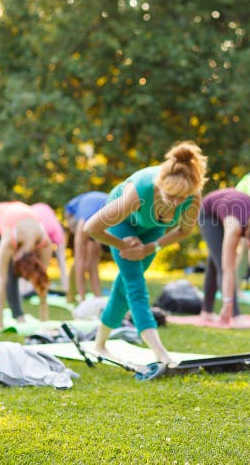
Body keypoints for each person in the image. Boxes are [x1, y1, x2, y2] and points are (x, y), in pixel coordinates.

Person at [84, 141, 207, 366]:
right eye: (171, 196)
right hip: (122, 226)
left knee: (123, 288)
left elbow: (183, 231)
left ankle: (99, 344)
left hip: (152, 231)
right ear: (160, 185)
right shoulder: (138, 192)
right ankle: (160, 352)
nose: (177, 202)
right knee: (135, 284)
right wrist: (123, 245)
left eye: (182, 198)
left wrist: (150, 247)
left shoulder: (192, 195)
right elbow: (91, 228)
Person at [198, 188, 250, 323]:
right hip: (208, 213)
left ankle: (206, 311)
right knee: (220, 261)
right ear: (247, 237)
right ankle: (234, 314)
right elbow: (227, 270)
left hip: (229, 207)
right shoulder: (234, 227)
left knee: (214, 260)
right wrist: (227, 304)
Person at [0, 201, 51, 329]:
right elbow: (1, 281)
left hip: (16, 215)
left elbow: (43, 279)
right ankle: (11, 314)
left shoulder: (44, 242)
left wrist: (44, 317)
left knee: (3, 266)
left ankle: (15, 314)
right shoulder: (9, 240)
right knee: (6, 271)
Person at [63, 191, 109, 302]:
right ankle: (89, 298)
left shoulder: (76, 209)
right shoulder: (82, 211)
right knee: (87, 260)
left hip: (96, 213)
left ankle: (89, 299)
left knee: (85, 260)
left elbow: (85, 263)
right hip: (97, 212)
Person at [31, 202, 71, 295]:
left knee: (30, 259)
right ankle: (66, 287)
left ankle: (65, 287)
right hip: (38, 225)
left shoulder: (55, 231)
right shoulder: (52, 229)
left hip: (41, 227)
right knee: (61, 261)